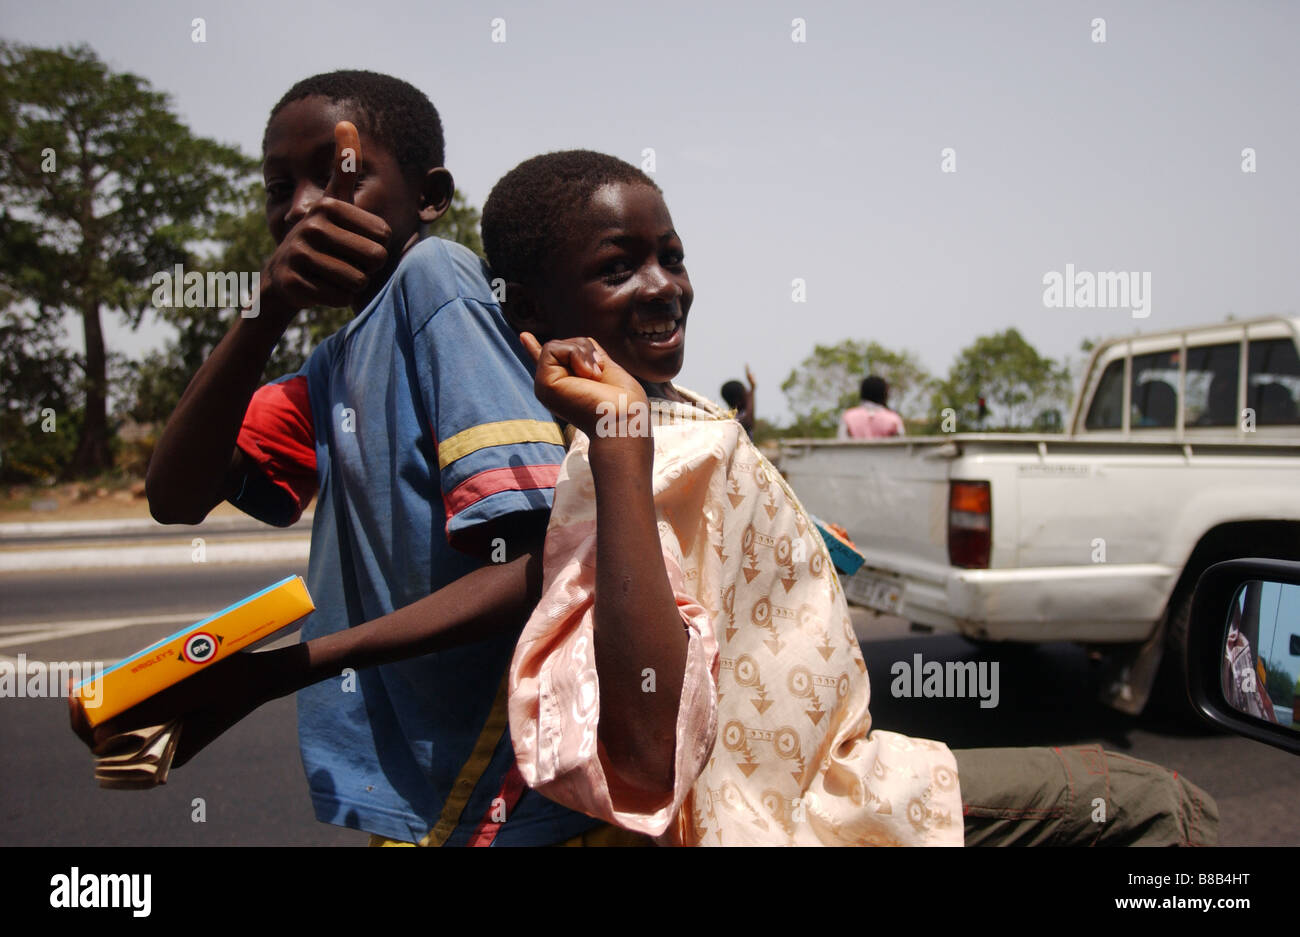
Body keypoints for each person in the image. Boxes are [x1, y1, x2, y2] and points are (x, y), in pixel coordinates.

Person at [484, 150, 1219, 846]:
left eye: (671, 256)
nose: (664, 285)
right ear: (530, 305)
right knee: (1158, 801)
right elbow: (644, 757)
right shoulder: (622, 451)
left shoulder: (668, 412)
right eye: (619, 267)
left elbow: (540, 578)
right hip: (797, 799)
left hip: (829, 756)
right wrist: (618, 443)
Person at [71, 72, 609, 847]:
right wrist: (263, 312)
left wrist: (286, 668)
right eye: (279, 188)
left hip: (507, 774)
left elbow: (540, 563)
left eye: (338, 173)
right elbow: (175, 494)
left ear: (429, 197)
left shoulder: (437, 282)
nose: (301, 206)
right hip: (430, 787)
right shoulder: (333, 365)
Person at [839, 375, 905, 439]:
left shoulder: (848, 417)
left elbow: (842, 443)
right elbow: (901, 444)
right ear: (884, 394)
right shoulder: (893, 419)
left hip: (856, 450)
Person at [720, 367, 756, 436]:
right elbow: (748, 422)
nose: (748, 396)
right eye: (746, 394)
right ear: (738, 401)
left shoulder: (730, 417)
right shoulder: (734, 420)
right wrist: (752, 389)